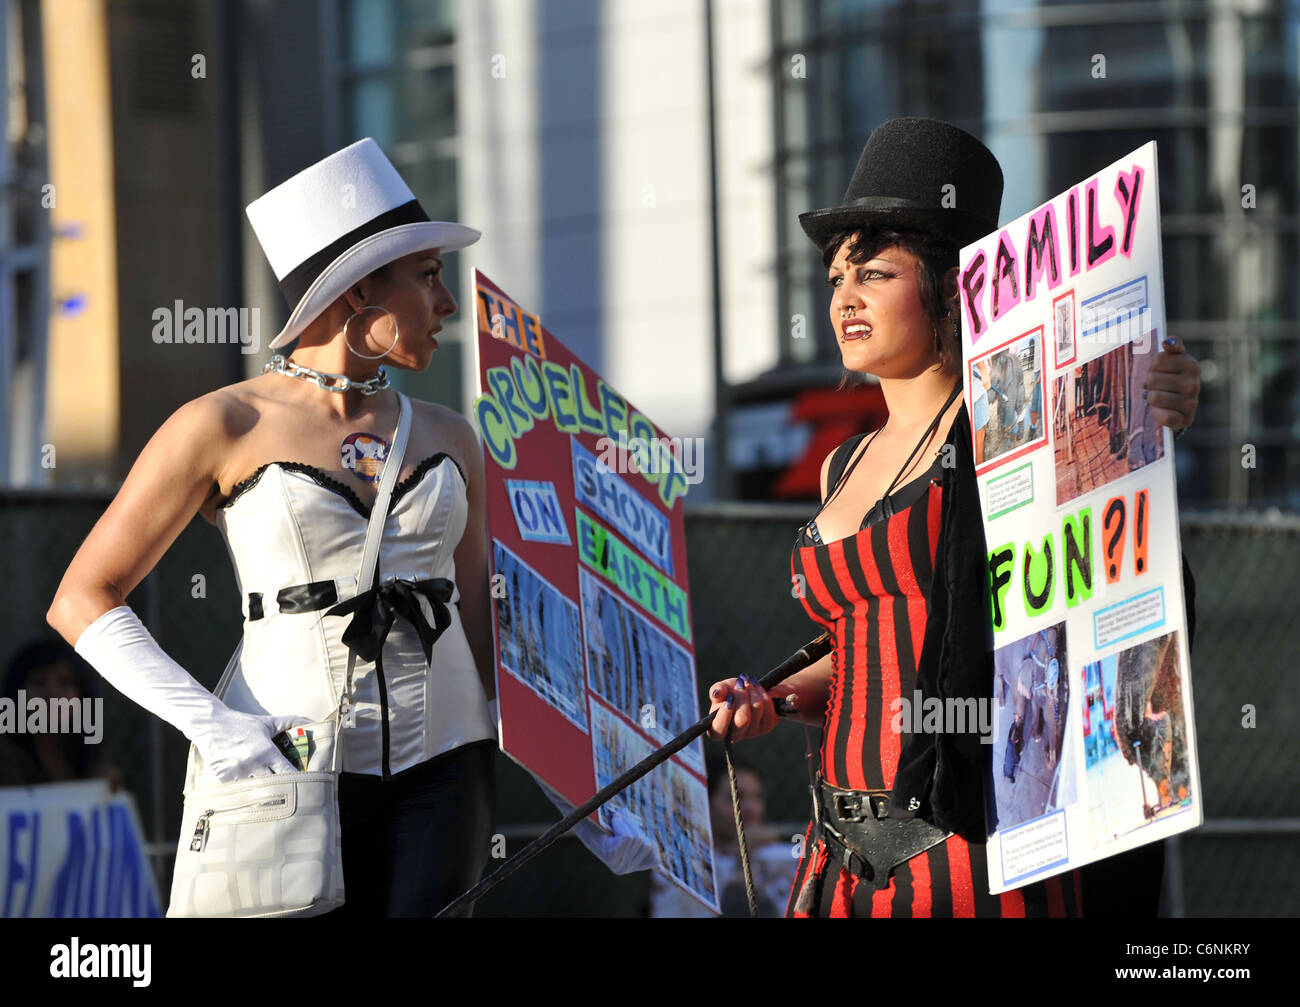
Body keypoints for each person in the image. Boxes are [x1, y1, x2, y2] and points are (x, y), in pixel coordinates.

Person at [707, 118, 1201, 917]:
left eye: (874, 272)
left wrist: (1160, 392)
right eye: (837, 278)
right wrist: (777, 695)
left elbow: (1117, 522)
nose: (846, 297)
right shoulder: (842, 464)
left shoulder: (1020, 427)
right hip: (835, 860)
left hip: (972, 857)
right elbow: (874, 639)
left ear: (949, 285)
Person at [46, 138, 500, 917]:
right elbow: (82, 596)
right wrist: (210, 724)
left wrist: (570, 762)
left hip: (451, 769)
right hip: (288, 769)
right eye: (428, 277)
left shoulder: (452, 434)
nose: (449, 303)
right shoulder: (222, 422)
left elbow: (484, 609)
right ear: (359, 294)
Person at [0, 637, 123, 790]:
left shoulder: (90, 754)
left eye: (65, 682)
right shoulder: (6, 755)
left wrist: (103, 786)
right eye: (39, 682)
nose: (52, 693)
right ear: (16, 692)